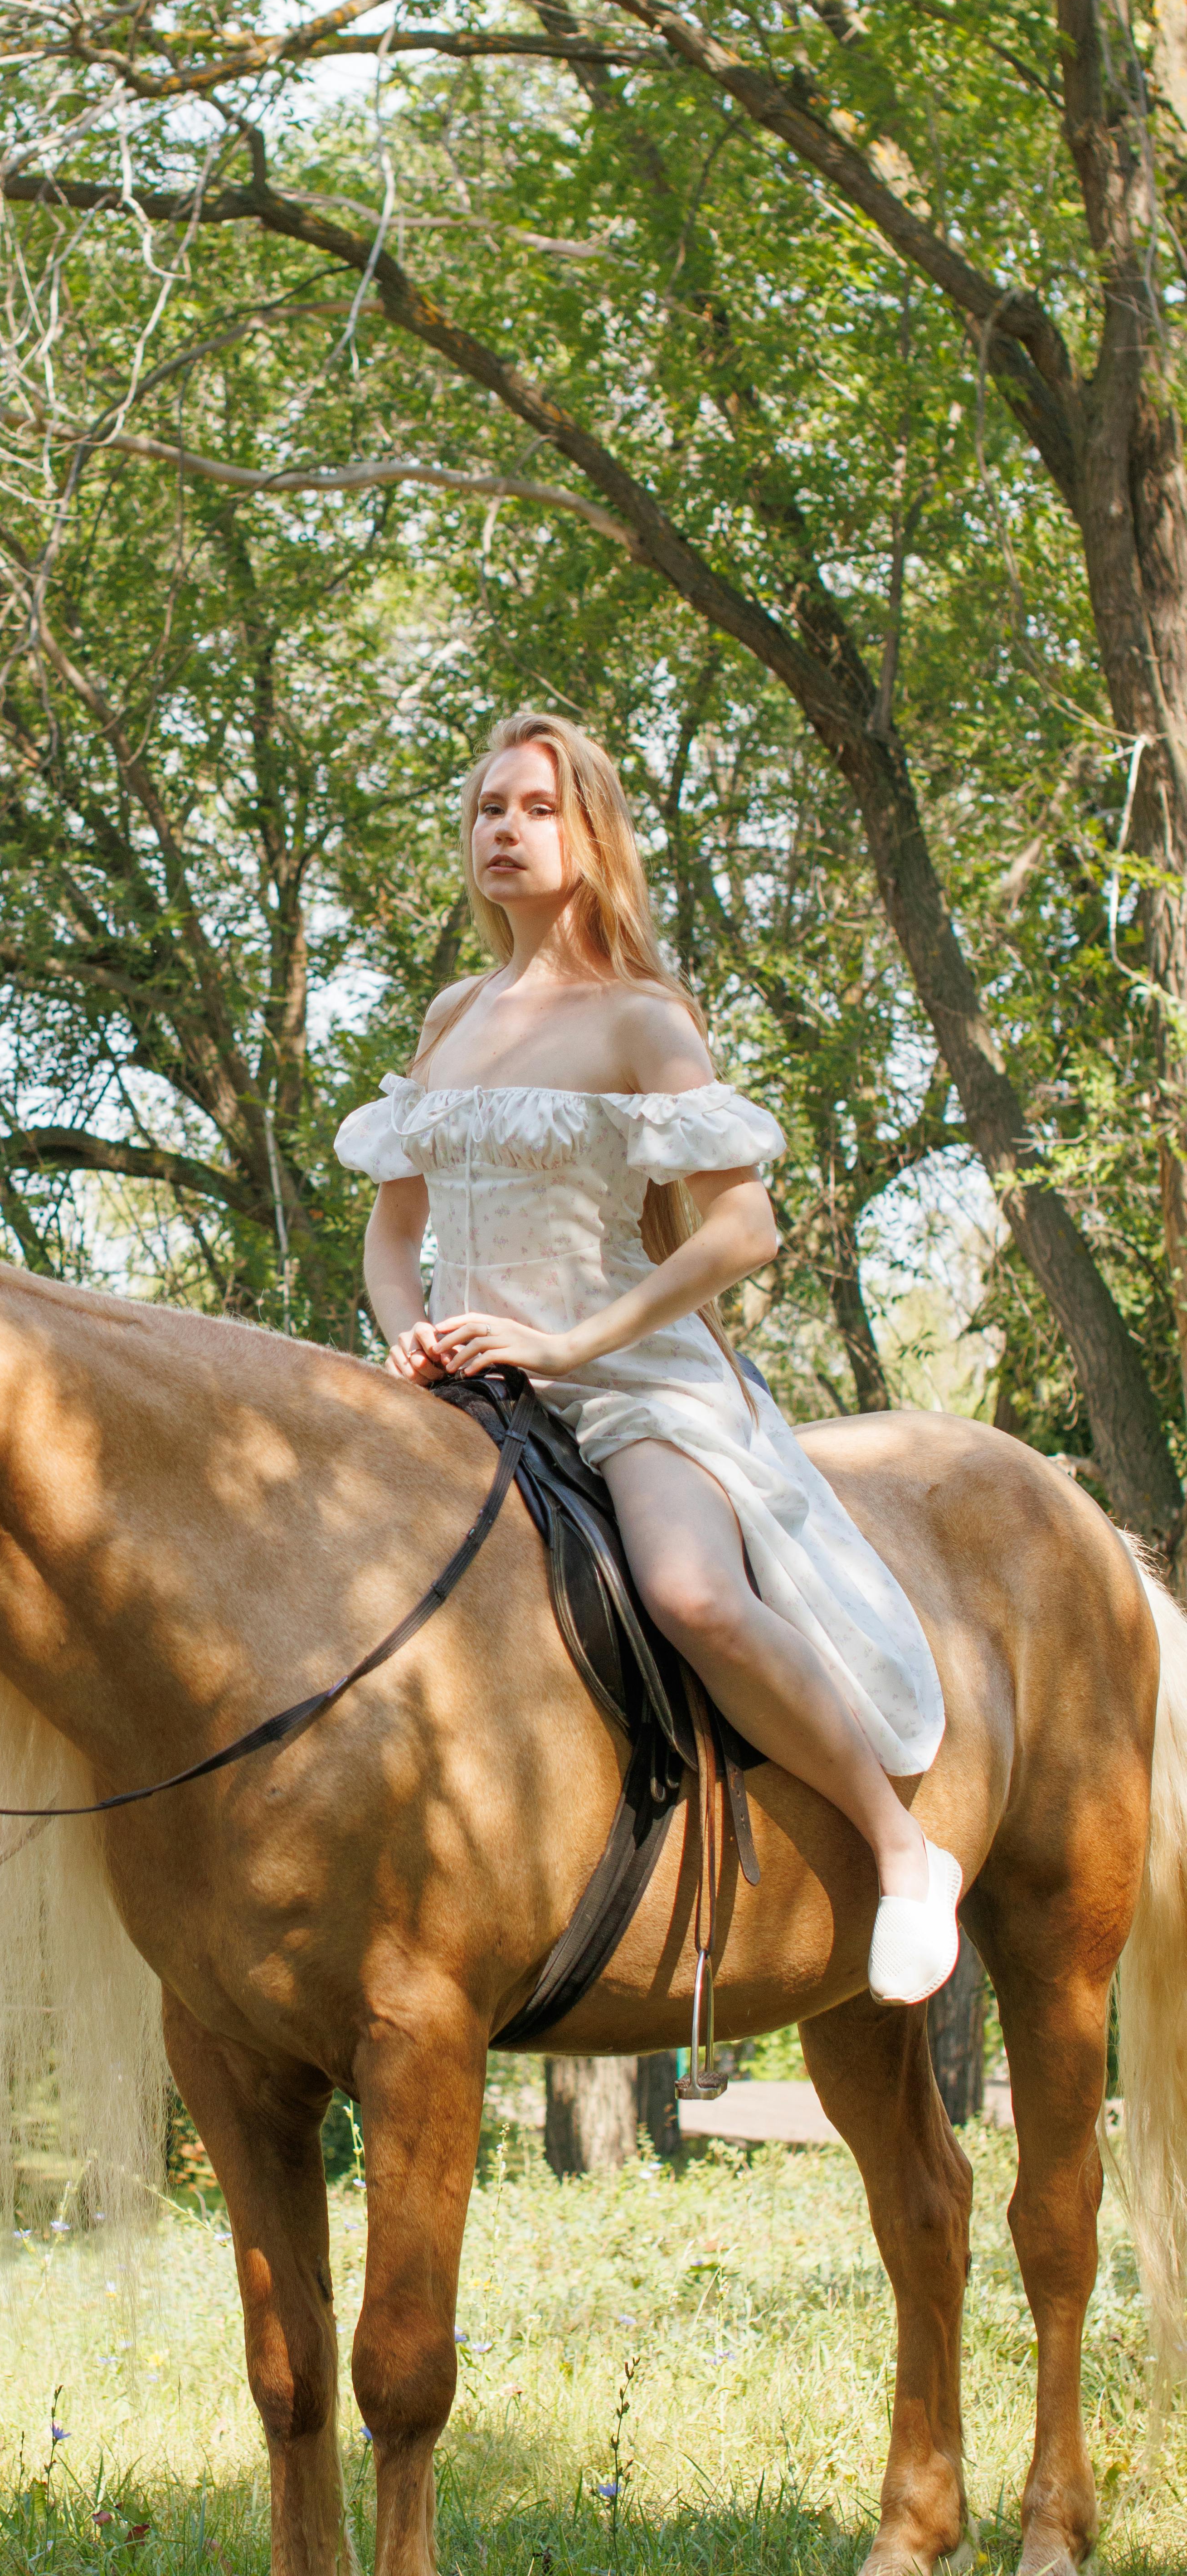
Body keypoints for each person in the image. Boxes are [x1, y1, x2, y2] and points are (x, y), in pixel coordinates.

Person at [334, 711, 958, 2006]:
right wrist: (404, 1326)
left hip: (629, 1377)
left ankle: (905, 1854)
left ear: (592, 832)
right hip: (469, 1384)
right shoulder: (451, 1015)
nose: (504, 831)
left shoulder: (642, 1018)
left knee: (691, 1596)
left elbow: (745, 1227)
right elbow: (395, 1233)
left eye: (536, 809)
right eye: (487, 811)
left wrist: (569, 1341)